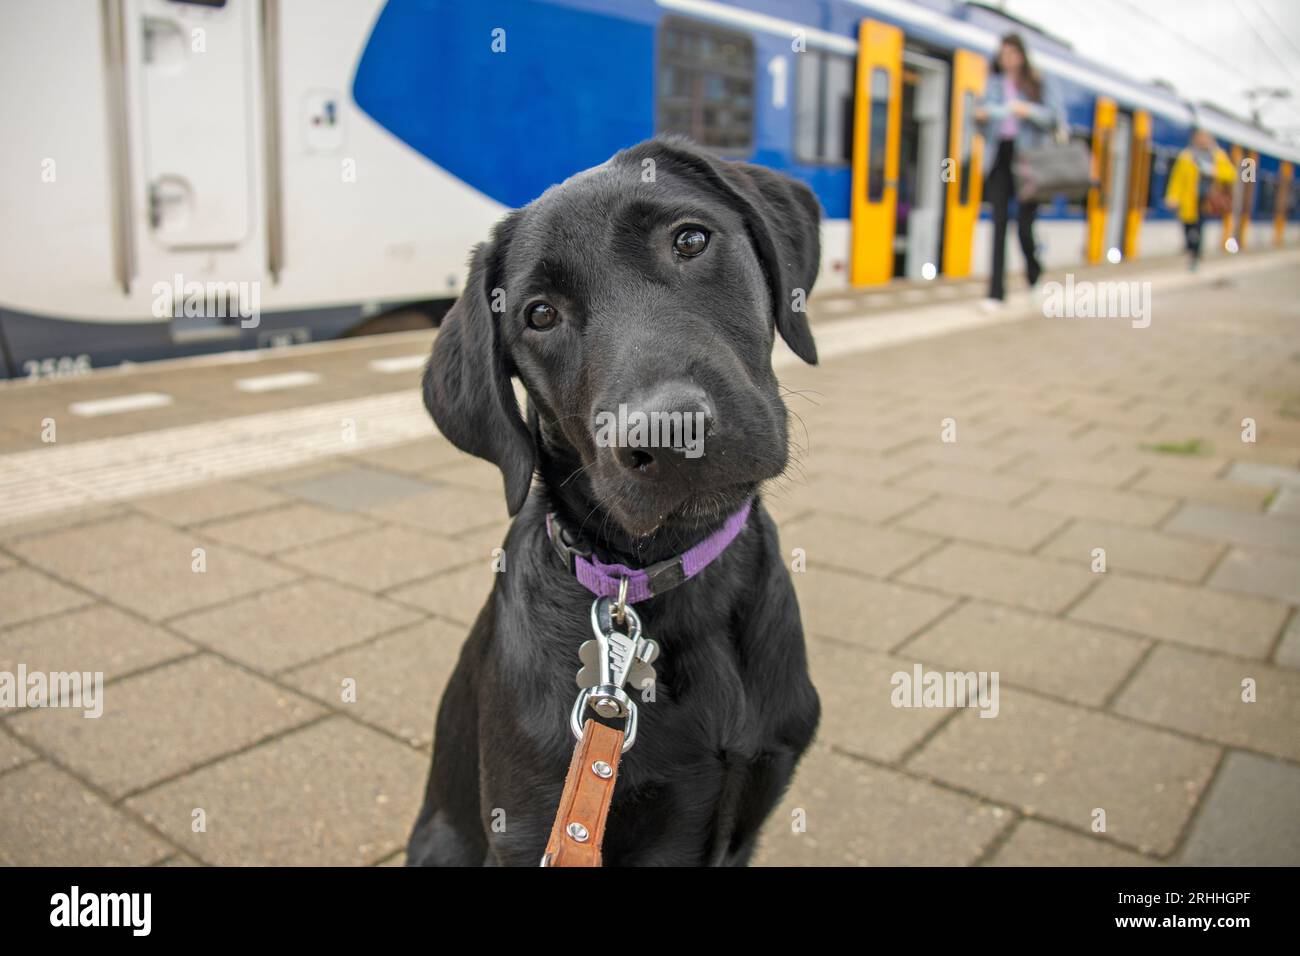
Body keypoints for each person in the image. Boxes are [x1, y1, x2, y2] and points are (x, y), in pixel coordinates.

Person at [974, 33, 1065, 305]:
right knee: (999, 225)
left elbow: (1053, 118)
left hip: (1029, 160)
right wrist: (980, 116)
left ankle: (1034, 275)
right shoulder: (993, 84)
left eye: (1012, 54)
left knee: (1024, 226)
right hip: (1000, 156)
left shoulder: (1039, 81)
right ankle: (995, 294)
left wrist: (1026, 109)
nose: (1008, 60)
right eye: (1003, 55)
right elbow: (979, 121)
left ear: (1022, 56)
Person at [1164, 128, 1236, 271]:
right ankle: (1192, 250)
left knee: (1197, 229)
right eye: (1200, 137)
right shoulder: (1186, 156)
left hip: (1206, 202)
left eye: (1205, 137)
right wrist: (1172, 197)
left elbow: (1231, 175)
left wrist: (1214, 171)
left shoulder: (1219, 156)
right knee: (1187, 227)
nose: (1202, 140)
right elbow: (1177, 179)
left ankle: (1194, 257)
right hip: (1188, 201)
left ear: (1210, 139)